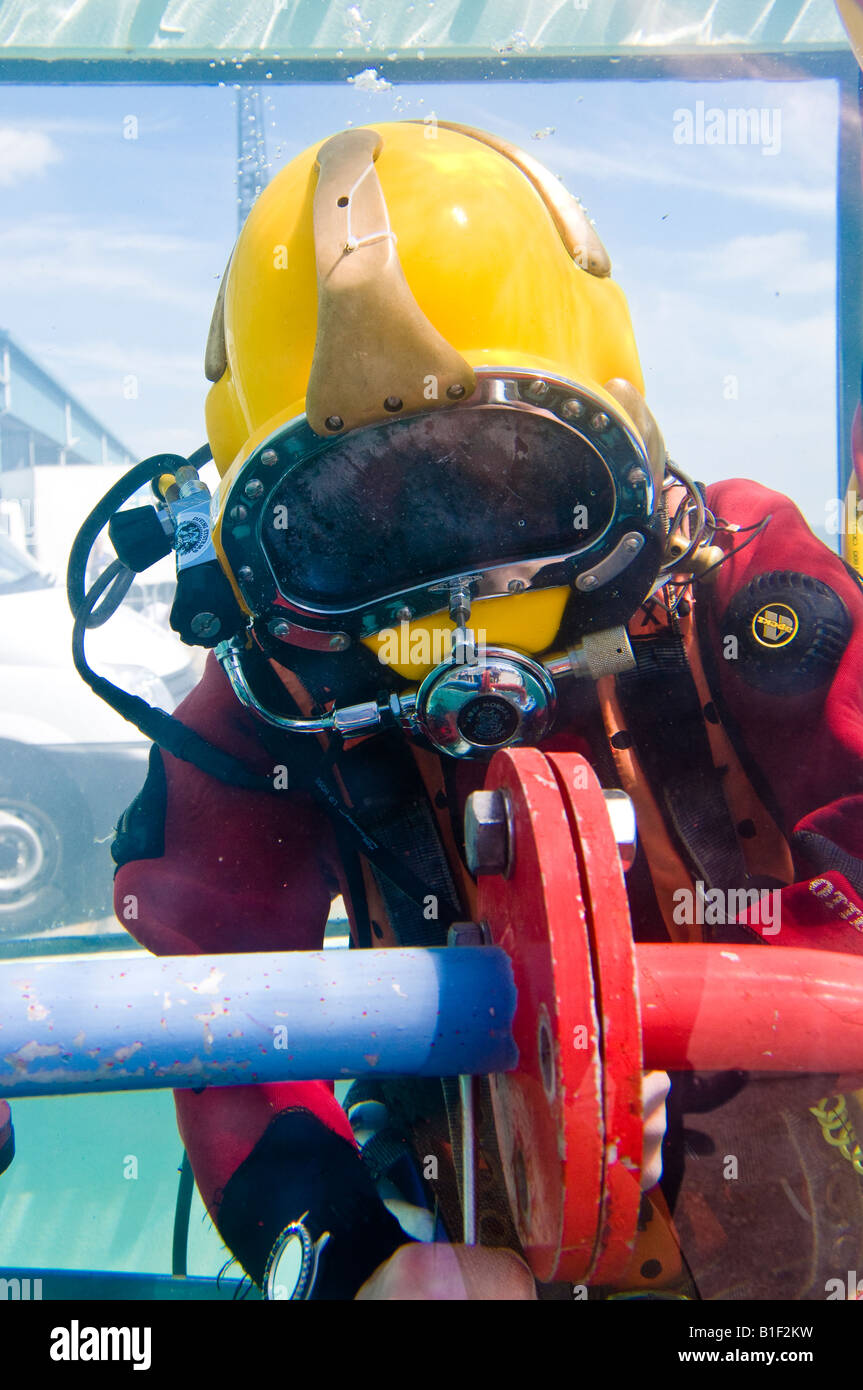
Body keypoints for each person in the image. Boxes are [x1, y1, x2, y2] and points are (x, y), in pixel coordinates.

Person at [107, 120, 863, 1300]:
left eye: (502, 480)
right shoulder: (278, 690)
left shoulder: (741, 594)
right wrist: (352, 1261)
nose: (455, 591)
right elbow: (216, 1002)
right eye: (370, 512)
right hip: (467, 1221)